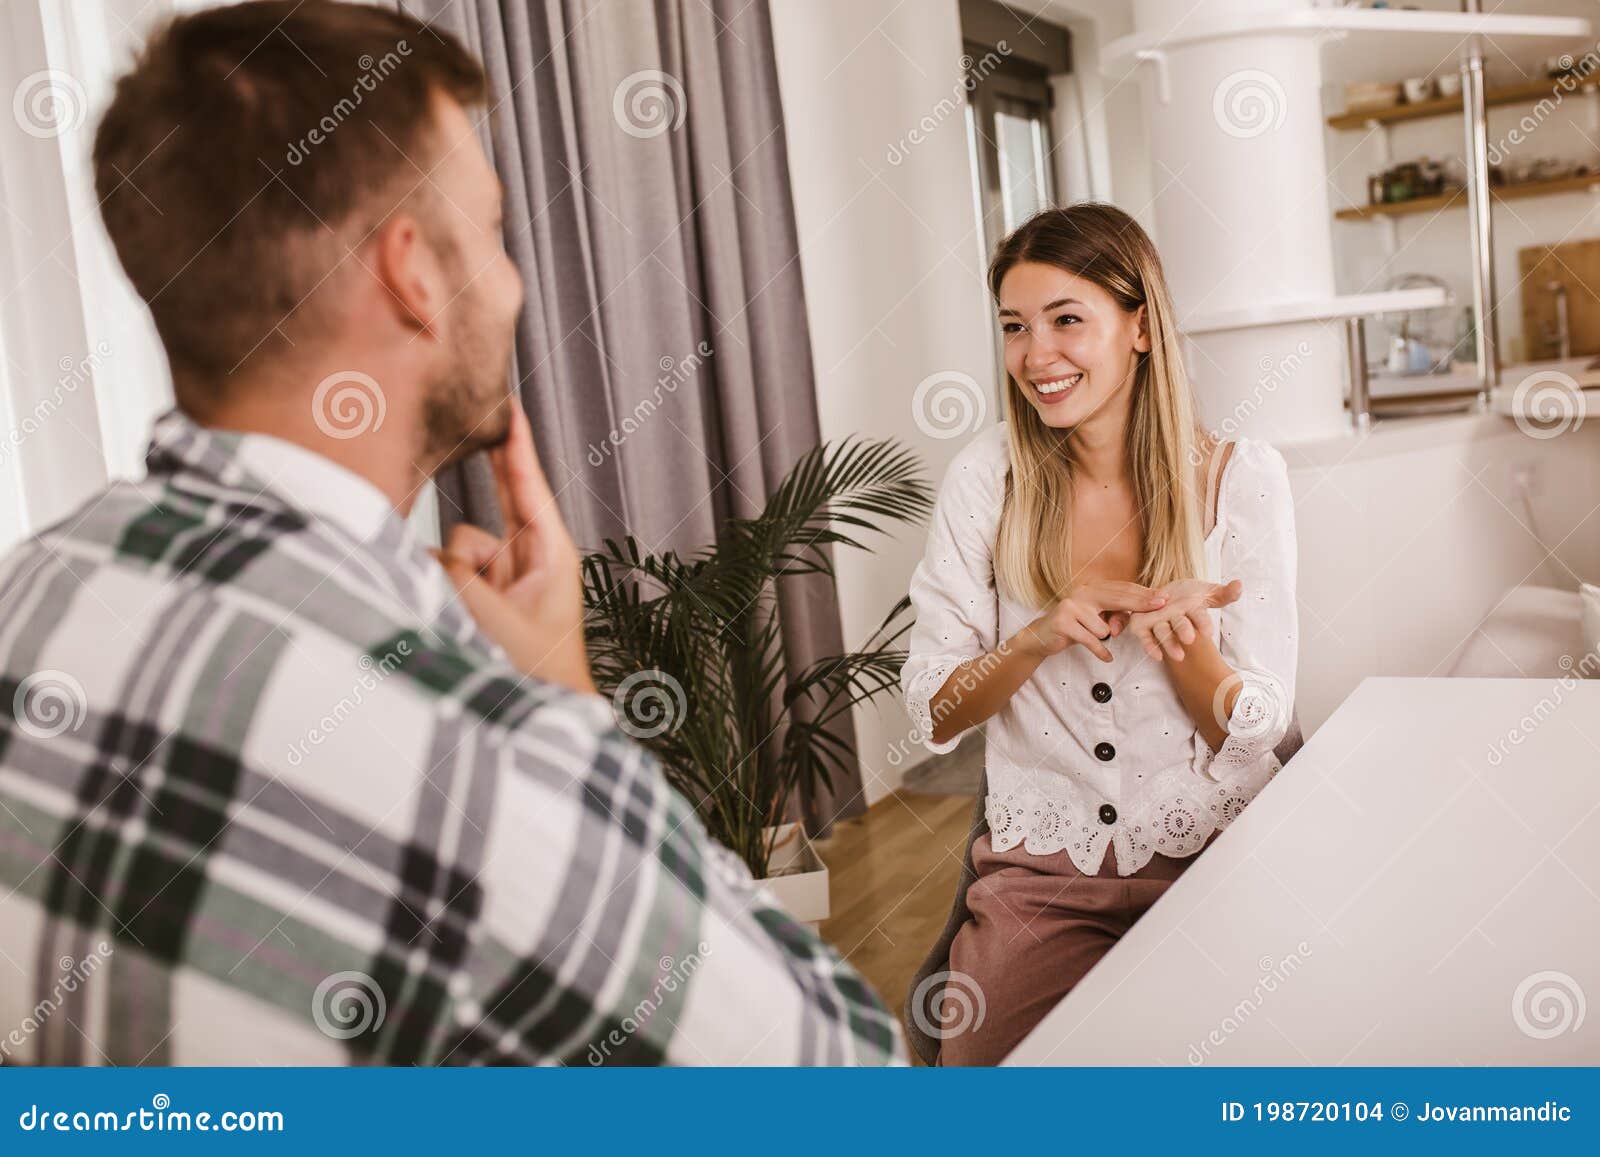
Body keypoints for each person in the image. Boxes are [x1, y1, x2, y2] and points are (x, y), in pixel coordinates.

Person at [0, 0, 903, 1067]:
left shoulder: (28, 592)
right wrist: (565, 702)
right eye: (492, 231)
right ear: (411, 275)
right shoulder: (480, 769)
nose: (513, 280)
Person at [900, 204, 1298, 1066]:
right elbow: (934, 711)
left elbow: (1261, 722)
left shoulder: (1242, 478)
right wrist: (1035, 638)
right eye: (1015, 327)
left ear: (1141, 327)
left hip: (1213, 858)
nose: (1036, 356)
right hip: (1042, 879)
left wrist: (1192, 650)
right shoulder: (986, 479)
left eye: (1067, 320)